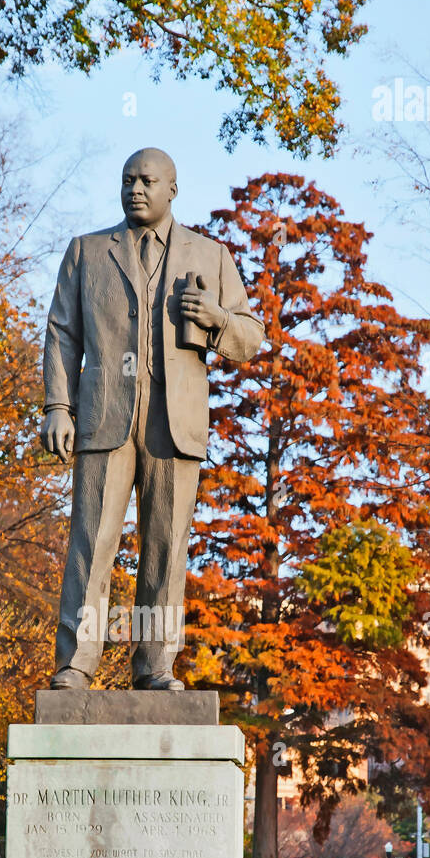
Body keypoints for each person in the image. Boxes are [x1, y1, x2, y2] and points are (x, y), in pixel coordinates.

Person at [41, 147, 263, 691]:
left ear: (173, 189)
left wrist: (216, 320)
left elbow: (251, 337)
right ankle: (76, 663)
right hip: (102, 419)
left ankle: (155, 665)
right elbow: (61, 333)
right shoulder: (88, 252)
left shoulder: (209, 255)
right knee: (90, 544)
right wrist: (57, 406)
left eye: (147, 181)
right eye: (127, 180)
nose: (135, 189)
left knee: (165, 547)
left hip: (174, 425)